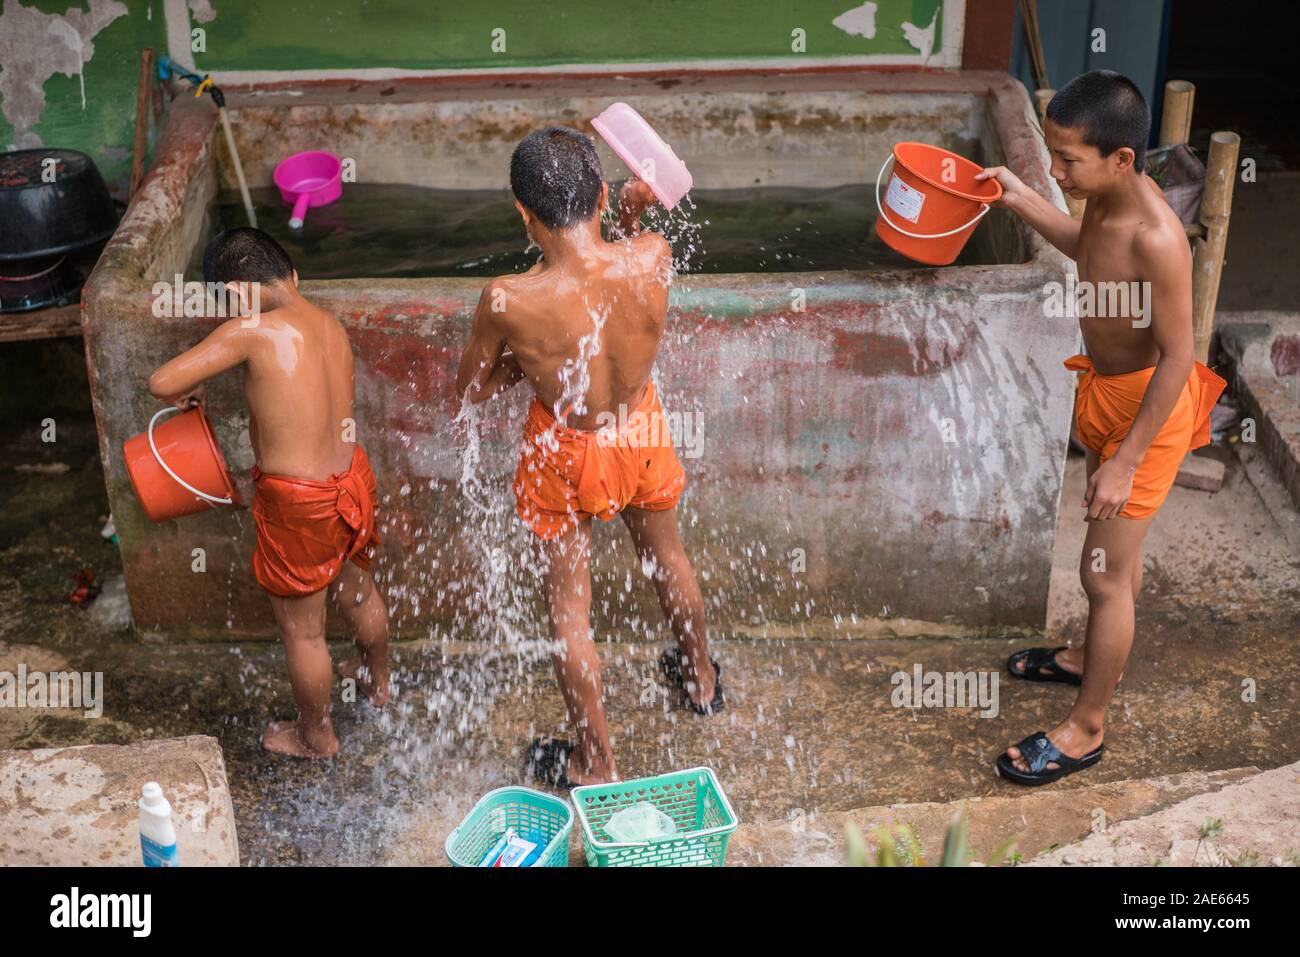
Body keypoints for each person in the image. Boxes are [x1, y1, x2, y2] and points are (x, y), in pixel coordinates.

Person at [977, 71, 1225, 785]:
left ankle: (1086, 728)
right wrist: (1020, 197)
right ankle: (1088, 657)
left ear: (1122, 158)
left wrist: (1127, 458)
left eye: (1068, 161)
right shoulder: (1103, 202)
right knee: (1109, 562)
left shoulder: (1157, 237)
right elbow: (1087, 251)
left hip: (1148, 411)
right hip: (1108, 396)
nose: (1057, 172)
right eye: (1052, 157)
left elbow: (1181, 353)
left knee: (1106, 576)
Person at [455, 126, 721, 788]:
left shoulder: (507, 299)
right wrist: (631, 217)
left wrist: (531, 357)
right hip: (639, 431)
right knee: (669, 557)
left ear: (522, 211)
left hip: (563, 452)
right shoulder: (655, 253)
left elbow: (472, 390)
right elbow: (618, 284)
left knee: (570, 610)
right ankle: (702, 679)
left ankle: (594, 760)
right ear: (602, 193)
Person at [148, 228, 389, 758]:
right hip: (353, 480)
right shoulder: (328, 324)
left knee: (304, 633)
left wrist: (206, 367)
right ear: (293, 278)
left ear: (235, 295)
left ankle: (316, 737)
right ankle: (378, 682)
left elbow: (162, 382)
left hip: (299, 502)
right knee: (359, 589)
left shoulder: (247, 329)